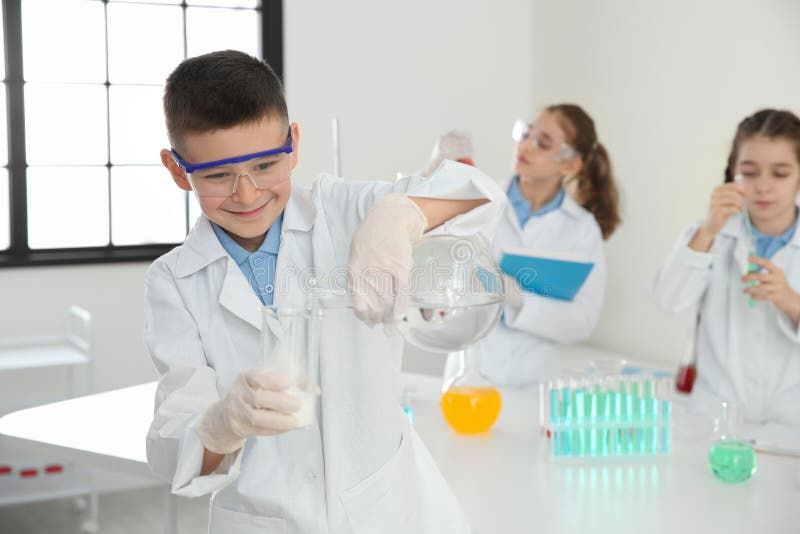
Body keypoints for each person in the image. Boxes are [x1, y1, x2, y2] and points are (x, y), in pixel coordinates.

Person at [145, 50, 506, 534]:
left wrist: (403, 213)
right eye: (217, 175)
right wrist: (223, 423)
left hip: (380, 510)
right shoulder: (174, 280)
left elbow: (482, 193)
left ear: (293, 145)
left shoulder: (341, 210)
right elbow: (172, 453)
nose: (247, 193)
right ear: (176, 169)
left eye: (266, 165)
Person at [436, 104, 621, 387]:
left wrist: (519, 299)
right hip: (468, 376)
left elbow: (582, 323)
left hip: (534, 384)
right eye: (526, 134)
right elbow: (436, 266)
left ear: (570, 164)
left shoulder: (582, 230)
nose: (525, 146)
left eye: (543, 143)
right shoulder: (481, 200)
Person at [650, 108, 800, 426]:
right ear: (733, 172)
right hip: (715, 418)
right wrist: (707, 232)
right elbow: (667, 299)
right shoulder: (709, 234)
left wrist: (791, 301)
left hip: (790, 425)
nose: (763, 187)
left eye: (780, 174)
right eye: (750, 171)